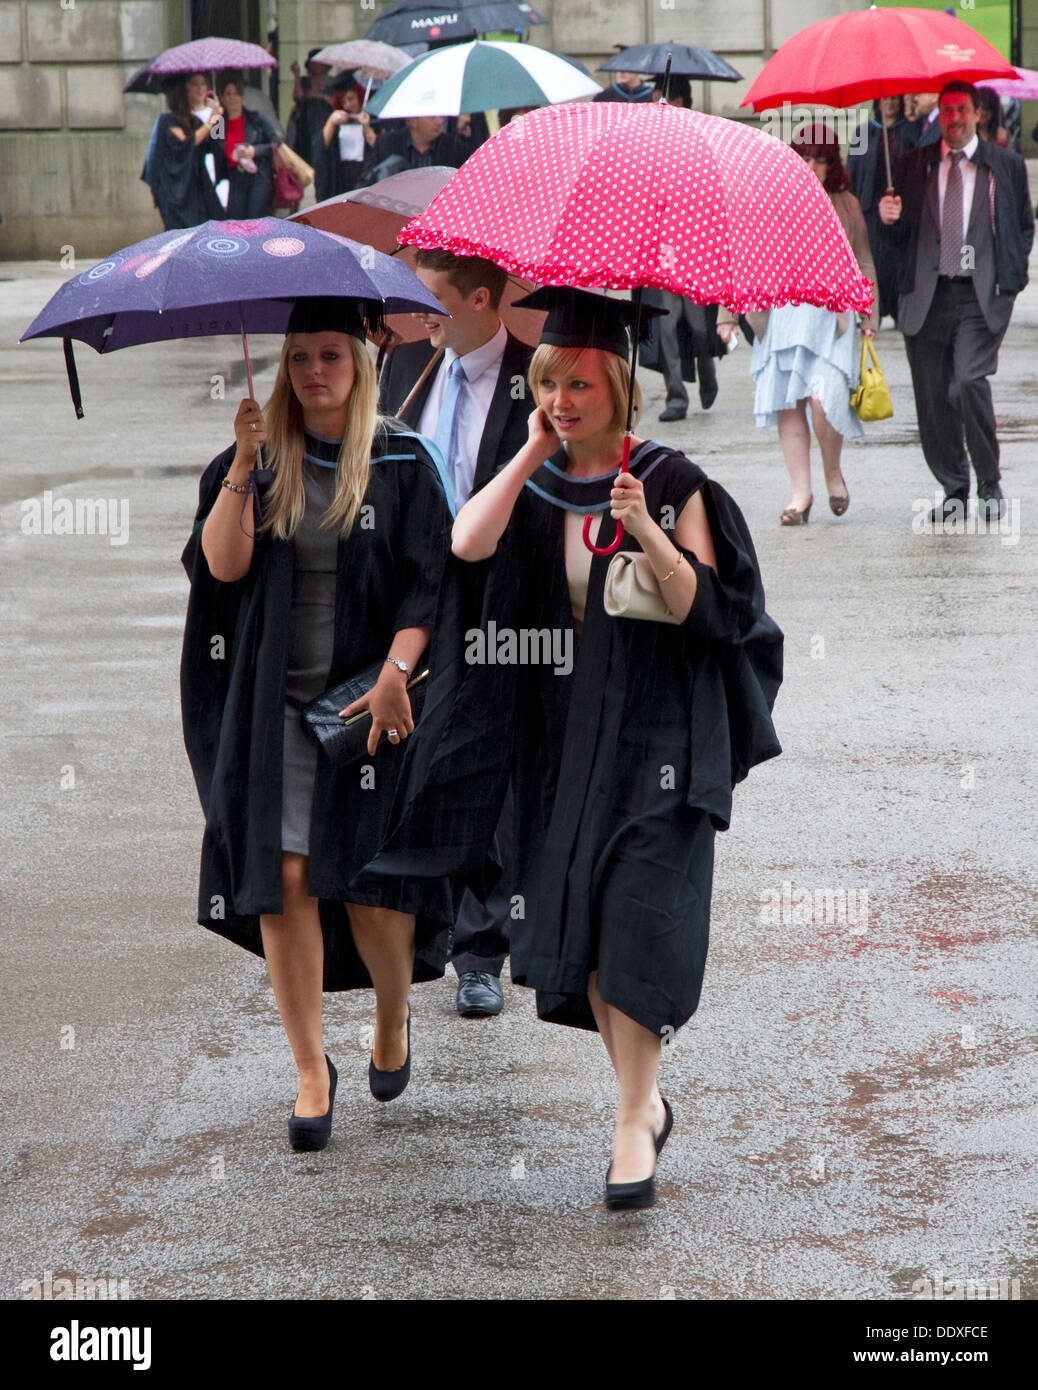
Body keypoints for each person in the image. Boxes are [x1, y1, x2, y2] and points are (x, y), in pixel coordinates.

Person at [367, 287, 782, 1209]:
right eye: (552, 383)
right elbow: (468, 544)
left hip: (658, 737)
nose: (563, 399)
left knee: (636, 918)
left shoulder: (673, 484)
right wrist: (533, 450)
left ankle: (633, 1119)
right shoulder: (543, 480)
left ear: (621, 389)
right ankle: (643, 1095)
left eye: (582, 386)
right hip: (564, 739)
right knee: (589, 941)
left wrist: (648, 533)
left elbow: (716, 616)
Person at [179, 297, 454, 1151]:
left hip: (374, 697)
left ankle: (392, 1018)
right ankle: (308, 1069)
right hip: (278, 709)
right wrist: (245, 464)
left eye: (332, 356)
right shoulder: (255, 461)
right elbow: (221, 568)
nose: (314, 373)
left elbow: (430, 585)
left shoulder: (402, 460)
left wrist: (399, 674)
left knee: (369, 889)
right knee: (286, 875)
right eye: (301, 357)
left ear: (361, 365)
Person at [378, 249, 534, 1018]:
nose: (422, 313)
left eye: (434, 299)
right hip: (416, 590)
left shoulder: (535, 378)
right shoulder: (407, 363)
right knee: (417, 752)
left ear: (480, 298)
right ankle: (426, 932)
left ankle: (482, 949)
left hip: (497, 598)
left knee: (486, 769)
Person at [879, 81, 1034, 520]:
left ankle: (989, 482)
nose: (954, 118)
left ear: (978, 114)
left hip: (978, 296)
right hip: (926, 296)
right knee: (932, 398)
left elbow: (1023, 225)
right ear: (939, 115)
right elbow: (896, 238)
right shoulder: (913, 166)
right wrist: (888, 218)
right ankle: (953, 488)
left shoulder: (1004, 165)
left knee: (966, 382)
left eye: (962, 109)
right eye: (947, 110)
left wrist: (1012, 279)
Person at [721, 124, 878, 525]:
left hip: (831, 318)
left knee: (824, 398)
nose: (811, 166)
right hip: (782, 315)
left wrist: (869, 314)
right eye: (804, 156)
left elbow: (863, 261)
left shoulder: (845, 204)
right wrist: (727, 315)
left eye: (820, 159)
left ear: (831, 164)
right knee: (789, 403)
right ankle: (800, 494)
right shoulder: (769, 200)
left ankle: (832, 472)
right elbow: (742, 259)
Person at [648, 74, 721, 418]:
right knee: (666, 327)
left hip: (693, 249)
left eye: (661, 98)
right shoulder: (647, 141)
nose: (655, 104)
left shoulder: (701, 136)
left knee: (698, 326)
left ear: (678, 102)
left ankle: (707, 372)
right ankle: (675, 396)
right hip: (659, 252)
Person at [848, 97, 918, 323]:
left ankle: (899, 308)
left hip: (898, 206)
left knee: (896, 260)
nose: (890, 104)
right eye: (885, 100)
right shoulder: (863, 133)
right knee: (873, 259)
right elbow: (853, 169)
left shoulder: (910, 132)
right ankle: (873, 311)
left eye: (895, 99)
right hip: (869, 206)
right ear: (877, 103)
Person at [143, 73, 224, 229]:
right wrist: (210, 122)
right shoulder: (167, 121)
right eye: (192, 86)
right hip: (175, 194)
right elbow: (187, 143)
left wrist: (218, 119)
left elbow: (216, 144)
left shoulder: (195, 121)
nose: (197, 90)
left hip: (197, 192)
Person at [212, 72, 280, 219]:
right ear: (222, 97)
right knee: (234, 223)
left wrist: (254, 151)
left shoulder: (255, 118)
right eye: (228, 94)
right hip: (233, 177)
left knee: (255, 221)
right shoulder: (219, 123)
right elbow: (213, 149)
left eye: (236, 93)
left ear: (242, 96)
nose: (232, 98)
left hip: (257, 176)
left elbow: (276, 142)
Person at [313, 78, 375, 201]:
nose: (348, 105)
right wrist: (330, 122)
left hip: (364, 174)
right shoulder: (336, 123)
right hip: (342, 176)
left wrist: (366, 126)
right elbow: (321, 149)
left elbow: (377, 146)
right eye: (343, 101)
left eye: (351, 98)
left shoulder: (373, 120)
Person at [360, 115, 469, 182]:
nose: (439, 121)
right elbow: (368, 180)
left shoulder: (455, 148)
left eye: (441, 116)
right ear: (413, 121)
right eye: (432, 117)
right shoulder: (387, 144)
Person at [285, 48, 332, 178]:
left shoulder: (332, 81)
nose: (316, 66)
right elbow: (297, 97)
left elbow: (335, 101)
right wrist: (296, 75)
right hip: (305, 123)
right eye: (313, 63)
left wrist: (319, 96)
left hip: (324, 120)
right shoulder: (305, 81)